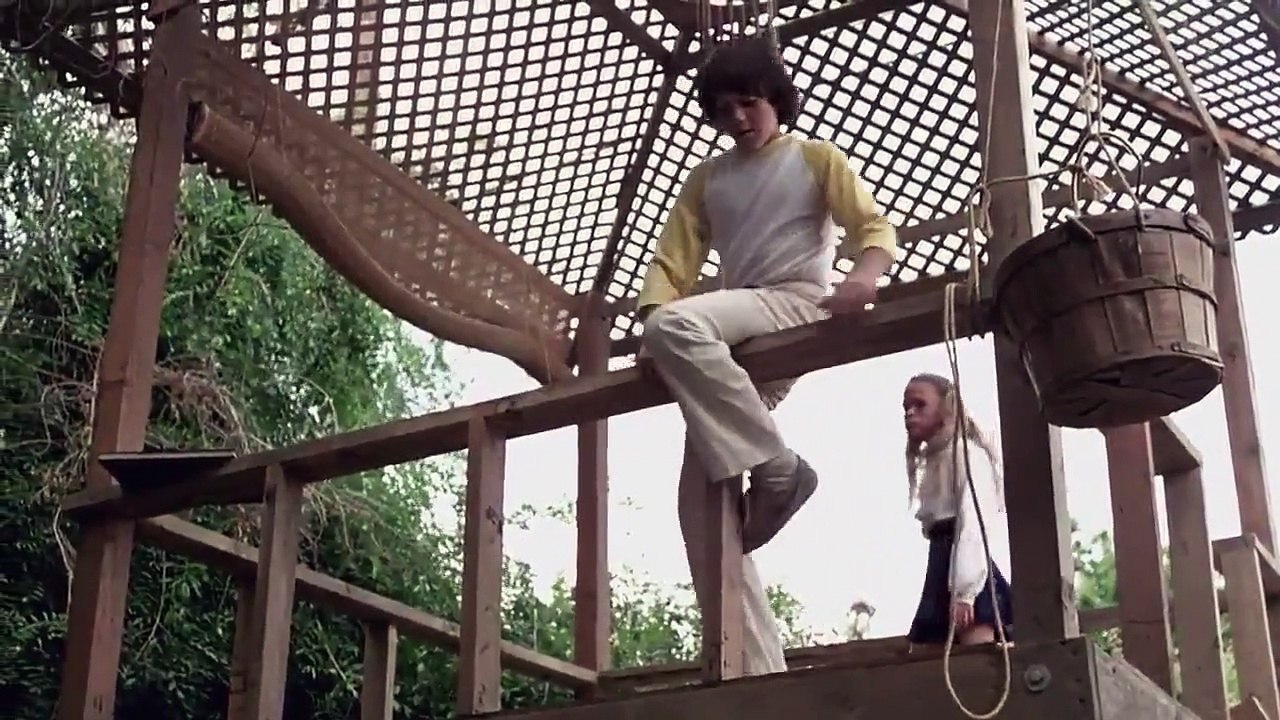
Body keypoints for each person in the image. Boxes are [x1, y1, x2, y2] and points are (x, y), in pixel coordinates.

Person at [635, 37, 898, 675]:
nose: (738, 118)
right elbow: (672, 263)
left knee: (675, 326)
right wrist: (654, 328)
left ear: (775, 98)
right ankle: (759, 674)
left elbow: (873, 228)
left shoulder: (815, 158)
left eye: (748, 103)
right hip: (736, 329)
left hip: (797, 304)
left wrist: (863, 279)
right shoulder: (708, 179)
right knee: (699, 510)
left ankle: (778, 467)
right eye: (723, 109)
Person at [902, 373, 1014, 647]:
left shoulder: (966, 453)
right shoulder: (937, 459)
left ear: (945, 407)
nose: (910, 413)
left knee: (977, 650)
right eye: (906, 407)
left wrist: (966, 591)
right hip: (942, 560)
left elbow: (974, 520)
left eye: (920, 405)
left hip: (962, 561)